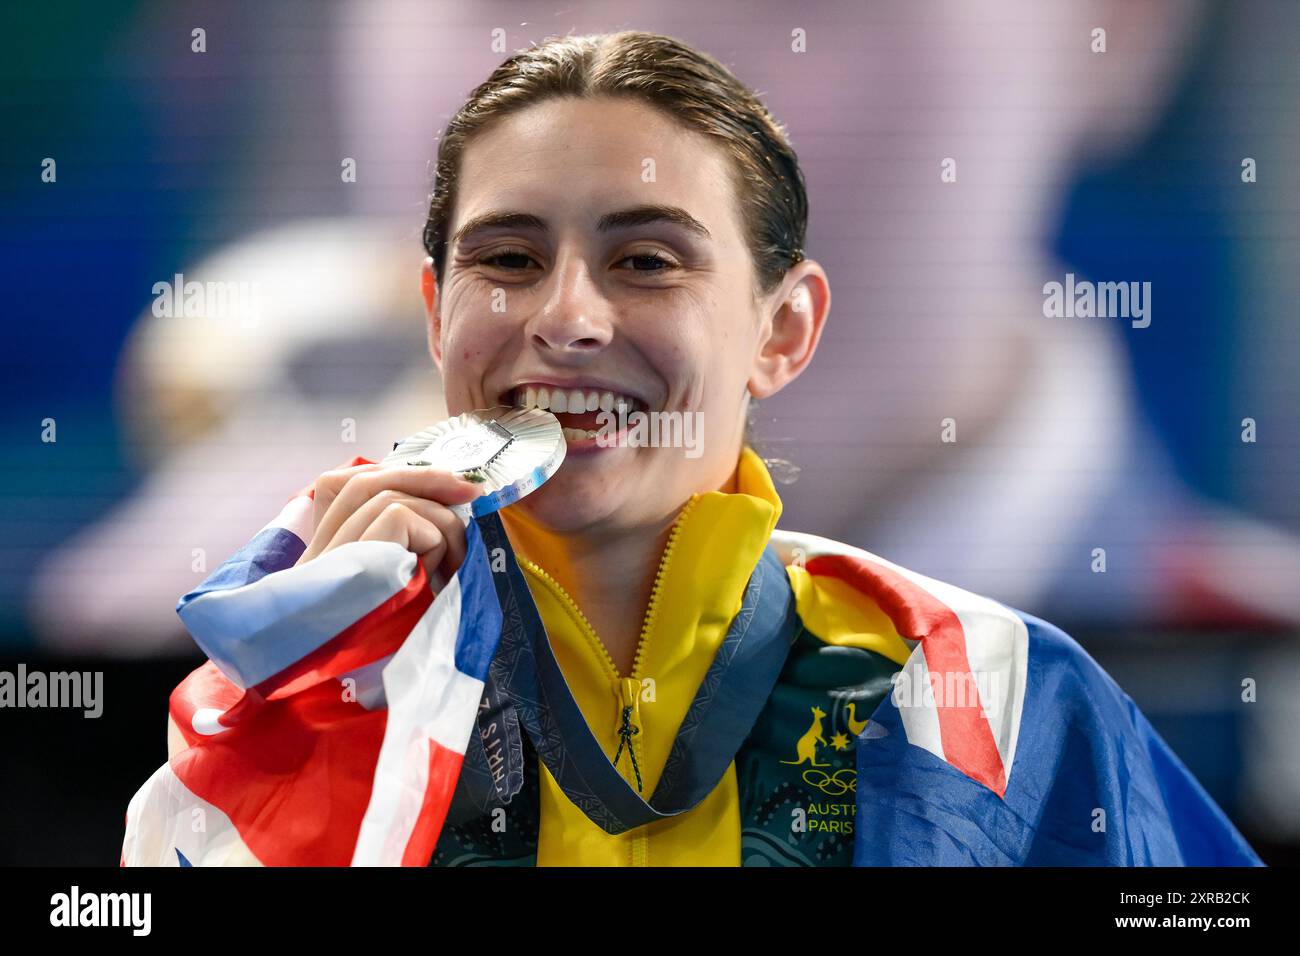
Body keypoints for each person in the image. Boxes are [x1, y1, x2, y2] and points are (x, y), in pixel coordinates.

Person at [121, 31, 1261, 867]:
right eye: (508, 257)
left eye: (651, 260)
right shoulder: (255, 709)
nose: (565, 317)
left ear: (783, 325)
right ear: (435, 305)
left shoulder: (1021, 698)